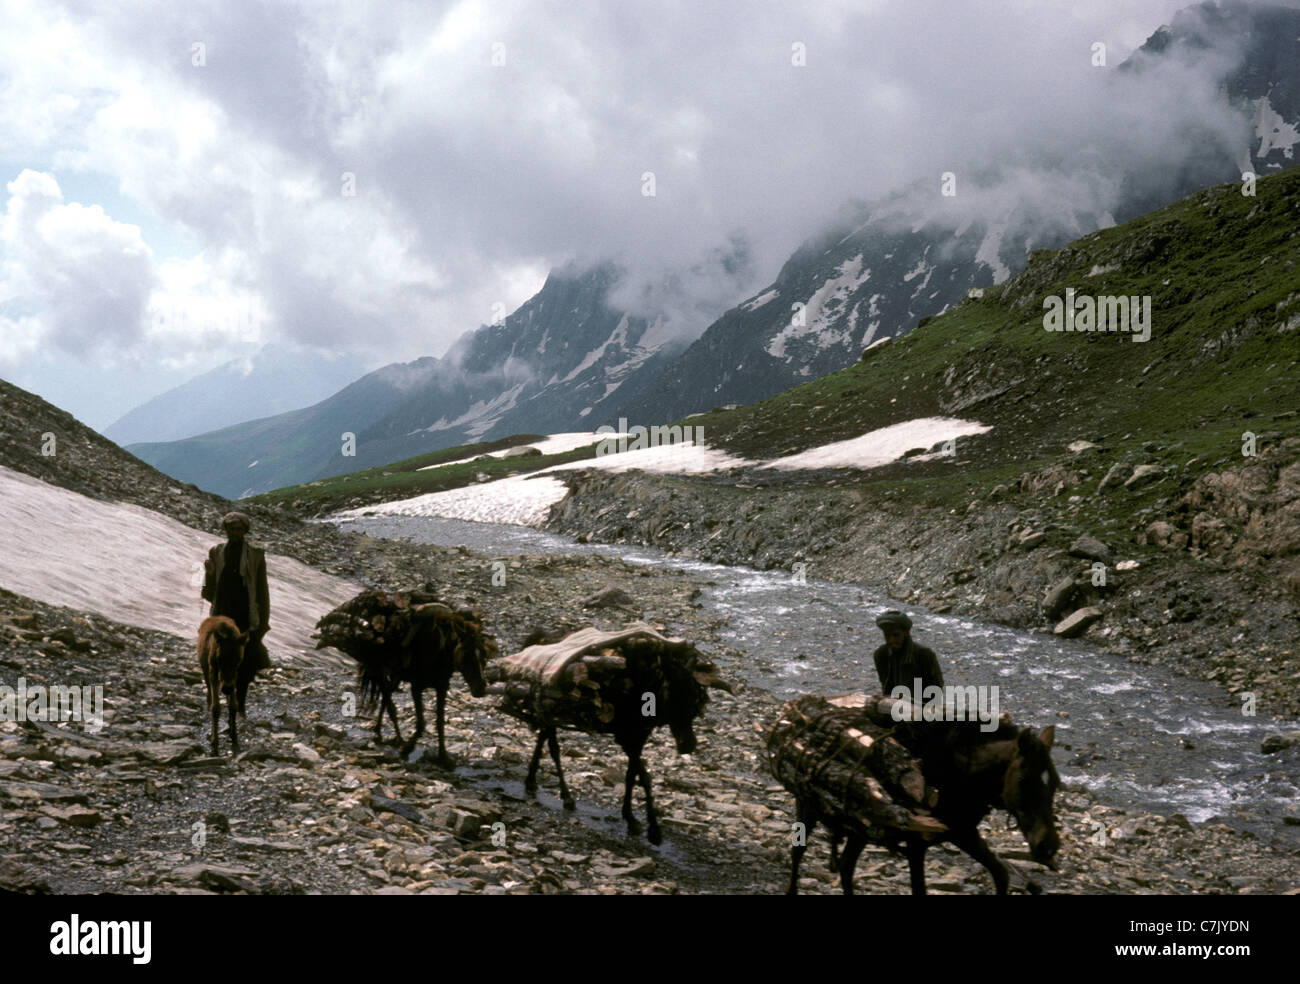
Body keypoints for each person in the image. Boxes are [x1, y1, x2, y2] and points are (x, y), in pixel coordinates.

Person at [202, 510, 272, 672]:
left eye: (239, 529)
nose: (235, 533)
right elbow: (209, 591)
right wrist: (210, 574)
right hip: (223, 608)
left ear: (244, 531)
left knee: (246, 652)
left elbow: (262, 590)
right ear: (226, 530)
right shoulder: (216, 552)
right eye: (232, 529)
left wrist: (263, 621)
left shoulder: (255, 555)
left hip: (244, 609)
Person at [871, 609, 942, 697]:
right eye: (887, 636)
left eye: (896, 635)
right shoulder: (880, 655)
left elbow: (937, 688)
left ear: (906, 633)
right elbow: (885, 685)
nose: (892, 640)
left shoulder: (924, 654)